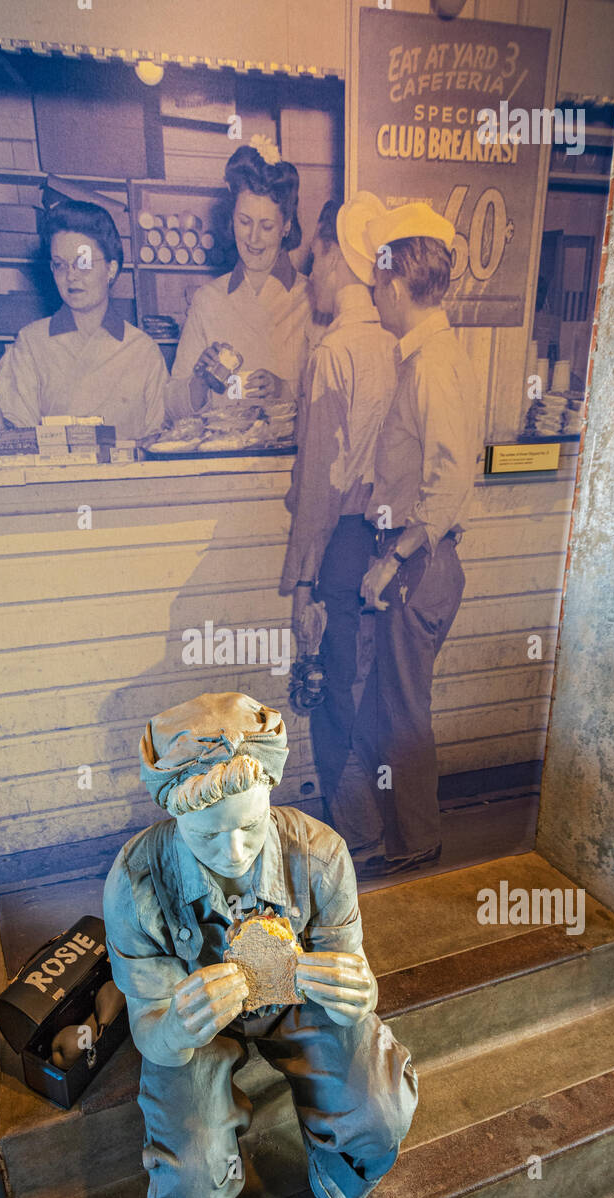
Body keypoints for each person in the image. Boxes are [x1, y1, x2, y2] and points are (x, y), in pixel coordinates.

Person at [102, 692, 418, 1198]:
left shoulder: (320, 856)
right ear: (176, 817)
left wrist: (359, 995)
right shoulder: (135, 883)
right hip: (200, 1026)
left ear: (271, 790)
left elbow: (352, 975)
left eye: (251, 826)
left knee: (379, 1111)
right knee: (190, 1167)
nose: (236, 853)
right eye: (208, 838)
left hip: (300, 1003)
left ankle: (337, 1155)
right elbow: (151, 1030)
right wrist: (173, 1025)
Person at [353, 203, 482, 877]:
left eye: (377, 283)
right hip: (412, 558)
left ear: (397, 283)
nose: (374, 294)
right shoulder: (429, 356)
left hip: (421, 563)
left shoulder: (433, 362)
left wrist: (391, 561)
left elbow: (452, 480)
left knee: (403, 710)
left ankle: (417, 846)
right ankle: (399, 835)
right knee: (392, 703)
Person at [280, 193, 398, 850]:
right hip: (386, 545)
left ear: (337, 257)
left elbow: (321, 487)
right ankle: (378, 823)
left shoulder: (334, 352)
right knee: (370, 687)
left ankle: (354, 838)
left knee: (332, 692)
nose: (310, 273)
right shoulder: (394, 342)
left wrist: (303, 583)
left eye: (315, 256)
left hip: (342, 547)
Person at [0, 194, 168, 437]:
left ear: (111, 269)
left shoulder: (142, 350)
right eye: (60, 265)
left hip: (126, 475)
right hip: (54, 475)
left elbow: (161, 437)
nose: (71, 275)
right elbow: (16, 429)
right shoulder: (31, 343)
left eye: (82, 262)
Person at [167, 137, 314, 419]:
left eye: (267, 226)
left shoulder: (311, 299)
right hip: (224, 456)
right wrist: (199, 380)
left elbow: (335, 397)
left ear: (286, 226)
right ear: (231, 219)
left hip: (289, 461)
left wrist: (286, 390)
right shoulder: (207, 300)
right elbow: (172, 406)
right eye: (244, 222)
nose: (253, 238)